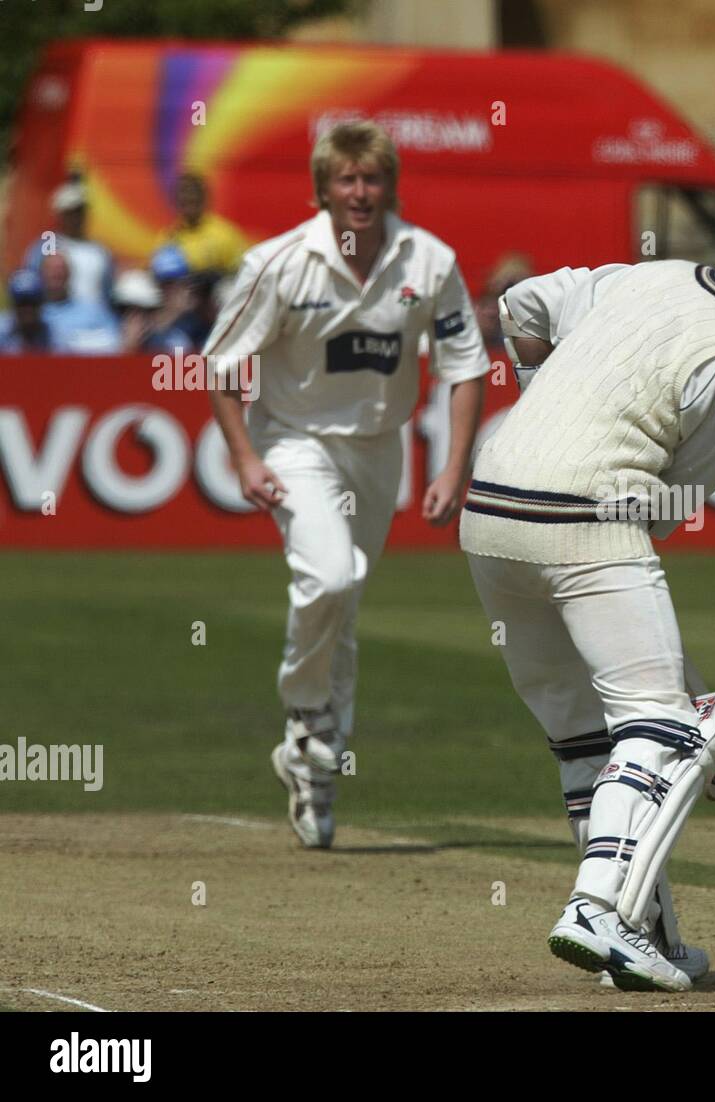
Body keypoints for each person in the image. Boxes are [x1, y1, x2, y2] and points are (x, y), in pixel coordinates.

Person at [460, 235, 715, 992]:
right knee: (674, 724)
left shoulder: (651, 274)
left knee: (586, 737)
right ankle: (595, 910)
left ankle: (641, 934)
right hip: (587, 514)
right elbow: (669, 504)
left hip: (489, 510)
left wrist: (546, 404)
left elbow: (520, 306)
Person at [203, 121, 490, 849]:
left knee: (346, 596)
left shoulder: (428, 259)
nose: (360, 193)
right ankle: (306, 719)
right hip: (293, 441)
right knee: (329, 577)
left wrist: (453, 467)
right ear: (322, 190)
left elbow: (463, 364)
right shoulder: (279, 263)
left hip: (377, 448)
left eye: (372, 180)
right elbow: (222, 362)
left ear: (389, 185)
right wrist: (243, 457)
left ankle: (313, 760)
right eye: (346, 180)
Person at [23, 179, 115, 308]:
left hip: (94, 322)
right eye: (70, 212)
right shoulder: (47, 245)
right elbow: (30, 284)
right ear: (59, 214)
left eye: (79, 211)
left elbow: (108, 291)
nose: (75, 217)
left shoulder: (99, 251)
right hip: (55, 321)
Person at [156, 173, 250, 277]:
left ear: (204, 198)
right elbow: (156, 271)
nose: (188, 196)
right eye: (183, 194)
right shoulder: (168, 236)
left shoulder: (225, 234)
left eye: (193, 193)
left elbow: (242, 273)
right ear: (175, 202)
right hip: (178, 290)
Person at [39, 253, 122, 353]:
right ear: (41, 274)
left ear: (69, 274)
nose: (56, 274)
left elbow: (115, 344)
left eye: (60, 269)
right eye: (50, 269)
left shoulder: (93, 311)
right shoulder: (30, 312)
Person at [0, 270, 64, 353]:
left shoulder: (52, 334)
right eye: (22, 303)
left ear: (41, 303)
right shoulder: (2, 331)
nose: (27, 310)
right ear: (13, 304)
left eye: (32, 303)